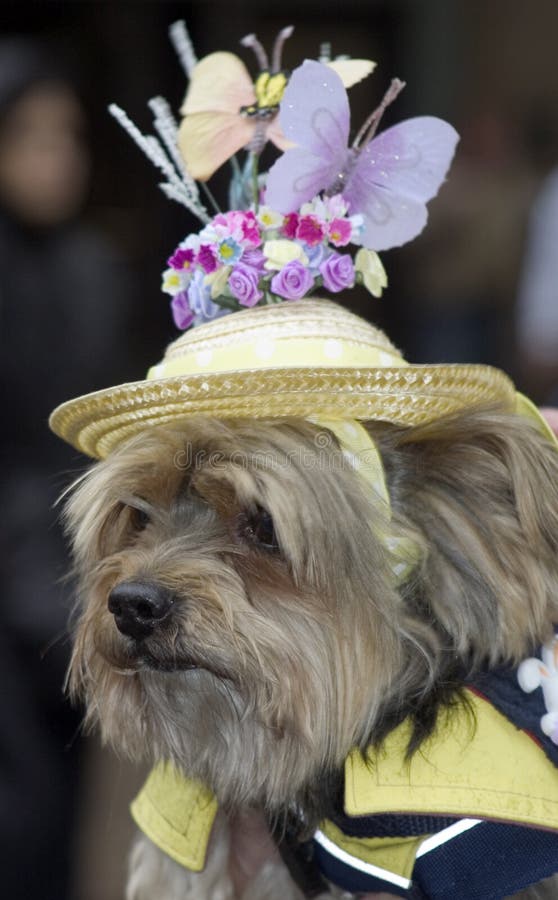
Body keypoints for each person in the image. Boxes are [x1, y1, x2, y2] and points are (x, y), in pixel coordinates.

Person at [0, 38, 132, 899]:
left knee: (60, 807)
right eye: (30, 134)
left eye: (69, 135)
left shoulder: (95, 273)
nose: (57, 157)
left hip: (66, 572)